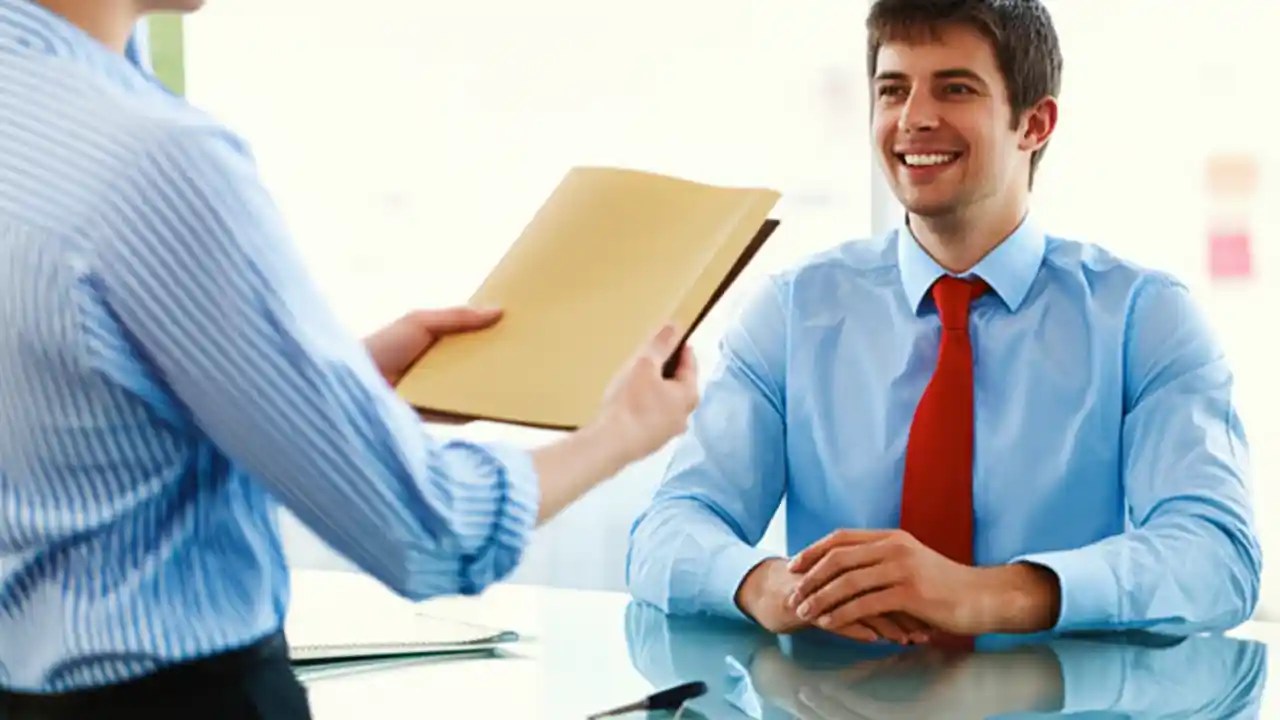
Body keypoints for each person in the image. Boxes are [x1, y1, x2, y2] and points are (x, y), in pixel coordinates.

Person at [0, 0, 699, 716]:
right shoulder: (157, 156)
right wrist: (618, 434)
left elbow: (71, 409)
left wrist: (319, 386)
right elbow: (428, 530)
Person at [626, 0, 1261, 647]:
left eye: (955, 89)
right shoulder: (793, 312)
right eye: (893, 90)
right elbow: (668, 529)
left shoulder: (1143, 317)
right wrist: (768, 585)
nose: (914, 119)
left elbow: (1218, 558)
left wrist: (990, 594)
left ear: (1034, 123)